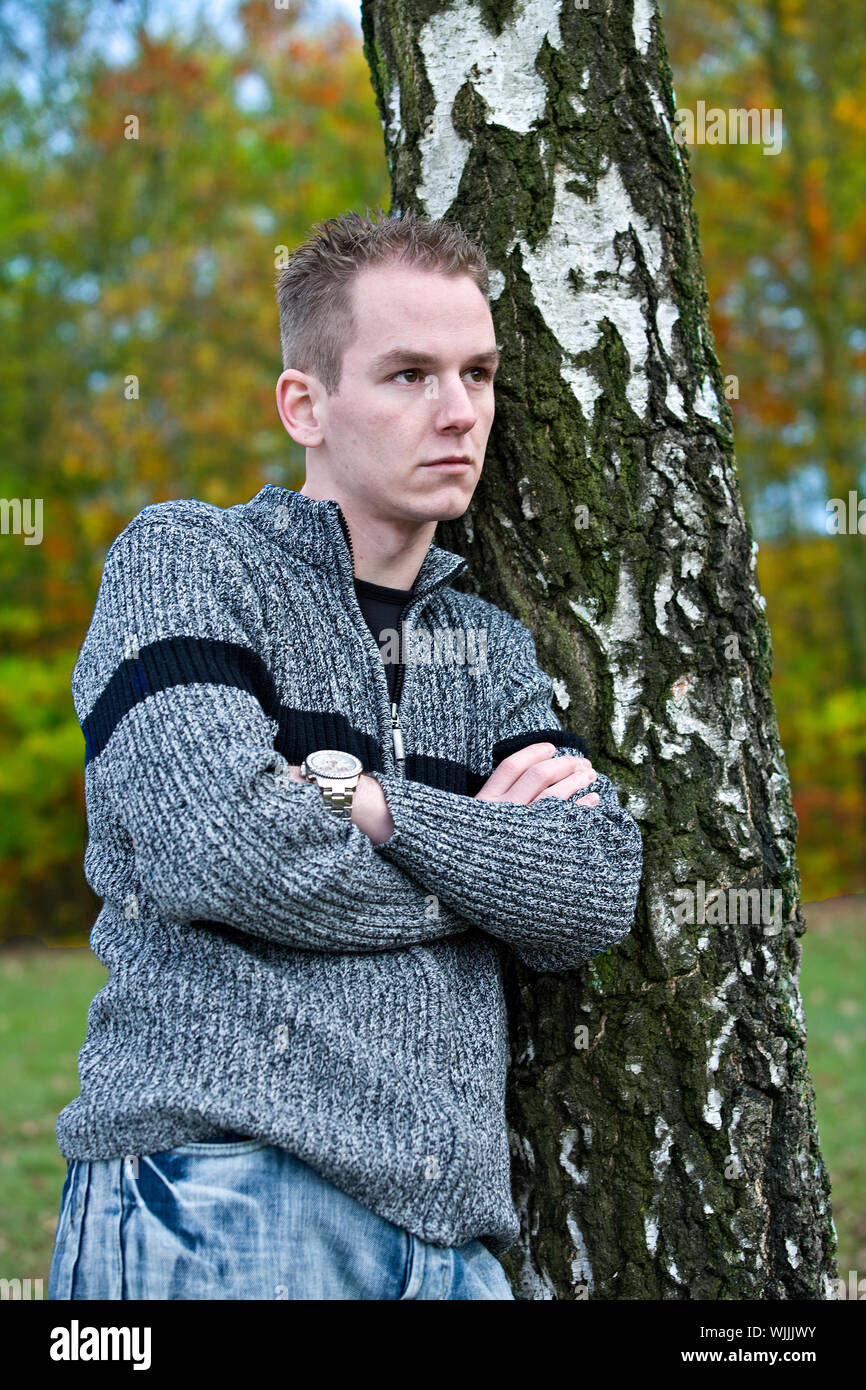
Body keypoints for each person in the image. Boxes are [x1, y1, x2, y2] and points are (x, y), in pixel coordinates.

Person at [47, 208, 643, 1300]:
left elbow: (592, 888)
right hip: (220, 1201)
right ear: (304, 404)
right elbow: (222, 847)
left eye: (477, 373)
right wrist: (483, 868)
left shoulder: (488, 645)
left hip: (454, 1247)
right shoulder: (187, 561)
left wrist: (370, 804)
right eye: (409, 374)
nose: (458, 412)